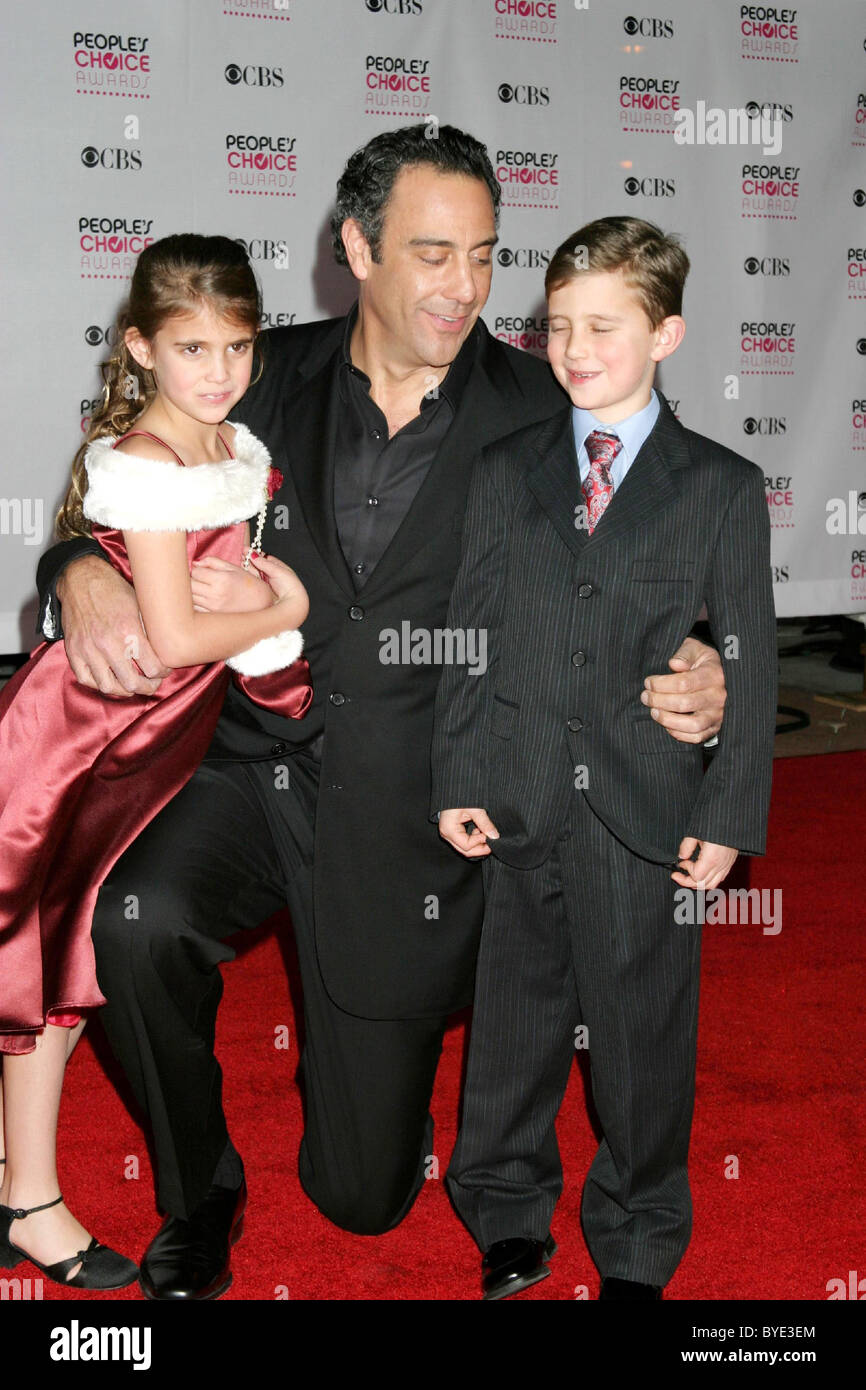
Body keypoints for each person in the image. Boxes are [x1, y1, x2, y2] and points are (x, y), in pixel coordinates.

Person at [34, 128, 728, 1302]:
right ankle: (198, 1191)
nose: (463, 287)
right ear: (355, 248)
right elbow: (122, 472)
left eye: (482, 256)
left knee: (361, 1201)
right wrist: (74, 571)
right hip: (245, 761)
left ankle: (381, 1069)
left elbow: (658, 555)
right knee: (134, 918)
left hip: (416, 809)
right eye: (430, 253)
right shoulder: (254, 370)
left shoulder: (537, 407)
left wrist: (700, 664)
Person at [433, 215, 778, 1301]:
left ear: (666, 334)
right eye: (557, 325)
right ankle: (503, 1208)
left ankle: (635, 1232)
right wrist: (456, 774)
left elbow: (749, 660)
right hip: (518, 786)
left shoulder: (719, 486)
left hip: (645, 808)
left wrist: (727, 812)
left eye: (604, 326)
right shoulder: (502, 469)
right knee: (514, 1019)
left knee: (639, 1033)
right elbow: (468, 630)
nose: (574, 348)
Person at [0, 233, 311, 1292]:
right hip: (96, 728)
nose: (217, 371)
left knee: (58, 969)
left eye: (235, 345)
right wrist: (291, 603)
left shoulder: (232, 443)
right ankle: (31, 1202)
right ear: (139, 348)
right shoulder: (144, 463)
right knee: (45, 965)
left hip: (154, 732)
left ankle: (18, 1186)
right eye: (190, 349)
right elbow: (179, 639)